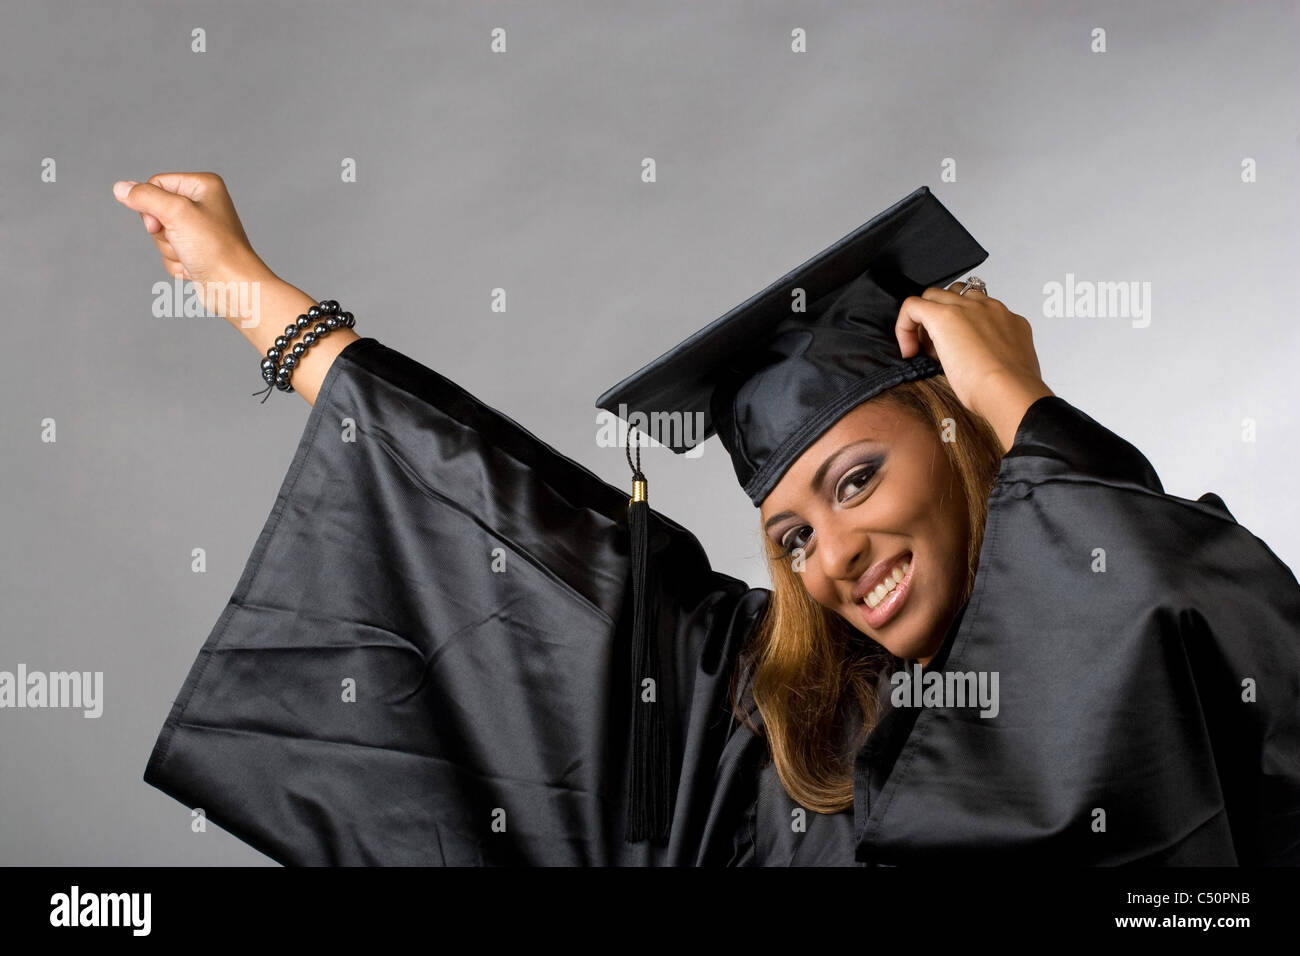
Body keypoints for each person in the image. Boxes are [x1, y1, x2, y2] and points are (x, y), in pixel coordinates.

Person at [113, 176, 1300, 865]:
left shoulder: (1153, 606)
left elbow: (1167, 610)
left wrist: (1020, 402)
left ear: (957, 442)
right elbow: (509, 523)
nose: (833, 555)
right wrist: (247, 291)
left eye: (853, 480)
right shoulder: (768, 727)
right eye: (789, 534)